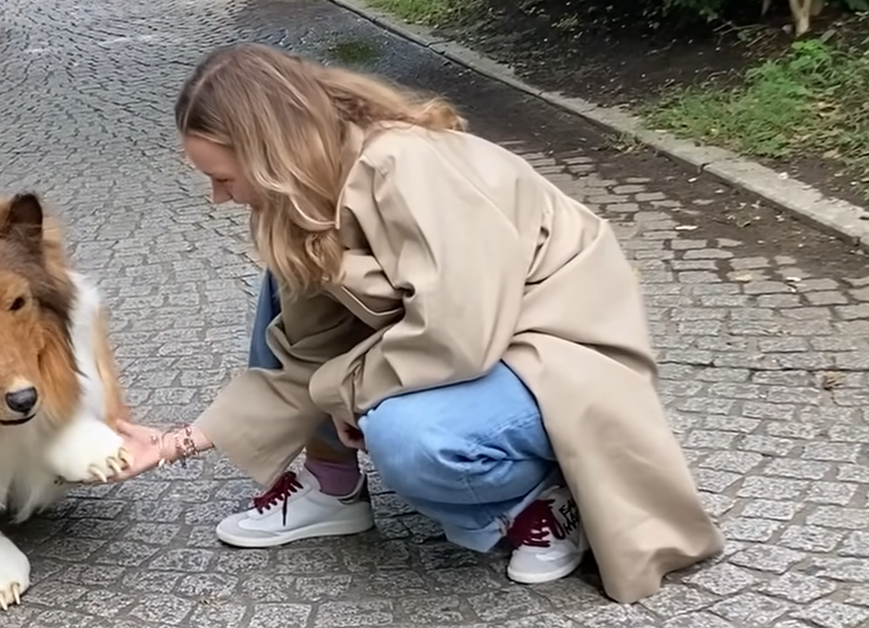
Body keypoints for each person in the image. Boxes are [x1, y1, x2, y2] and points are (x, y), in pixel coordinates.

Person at [110, 42, 724, 603]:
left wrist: (346, 391)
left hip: (557, 346)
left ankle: (540, 499)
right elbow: (303, 355)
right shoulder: (297, 203)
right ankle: (332, 489)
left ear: (271, 154)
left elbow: (458, 334)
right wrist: (174, 444)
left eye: (223, 177)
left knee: (408, 436)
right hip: (478, 343)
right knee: (286, 280)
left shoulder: (405, 165)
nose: (219, 197)